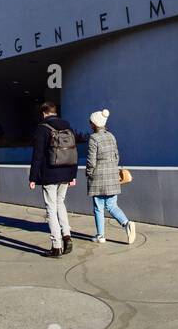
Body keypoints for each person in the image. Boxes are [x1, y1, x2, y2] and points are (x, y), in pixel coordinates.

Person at [29, 101, 77, 256]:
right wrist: (73, 175)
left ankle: (56, 246)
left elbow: (37, 155)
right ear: (55, 112)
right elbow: (73, 152)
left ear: (43, 113)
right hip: (66, 173)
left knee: (51, 208)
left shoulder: (42, 129)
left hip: (49, 174)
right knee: (60, 203)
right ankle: (67, 235)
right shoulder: (68, 127)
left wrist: (33, 177)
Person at [86, 109, 135, 245]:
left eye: (90, 122)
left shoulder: (93, 138)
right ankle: (126, 223)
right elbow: (116, 156)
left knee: (98, 207)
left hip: (98, 177)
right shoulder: (111, 136)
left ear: (94, 124)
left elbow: (91, 161)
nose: (89, 124)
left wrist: (89, 174)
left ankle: (101, 236)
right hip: (112, 175)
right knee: (112, 205)